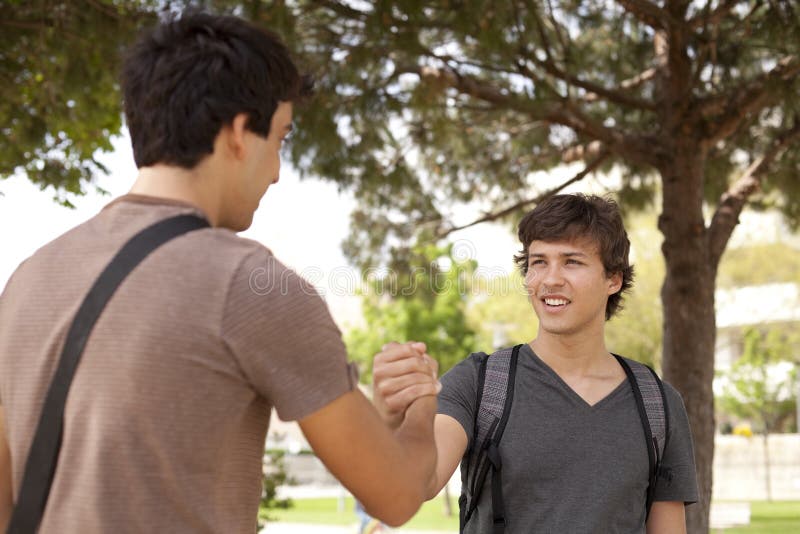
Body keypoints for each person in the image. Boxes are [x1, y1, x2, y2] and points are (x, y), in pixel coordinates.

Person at [0, 12, 440, 532]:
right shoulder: (251, 284)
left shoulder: (28, 278)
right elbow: (394, 495)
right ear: (237, 134)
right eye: (279, 139)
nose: (276, 172)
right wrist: (422, 410)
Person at [373, 194, 699, 533]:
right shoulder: (480, 382)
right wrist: (391, 420)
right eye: (538, 262)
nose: (550, 279)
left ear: (613, 279)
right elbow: (419, 482)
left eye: (572, 261)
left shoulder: (659, 405)